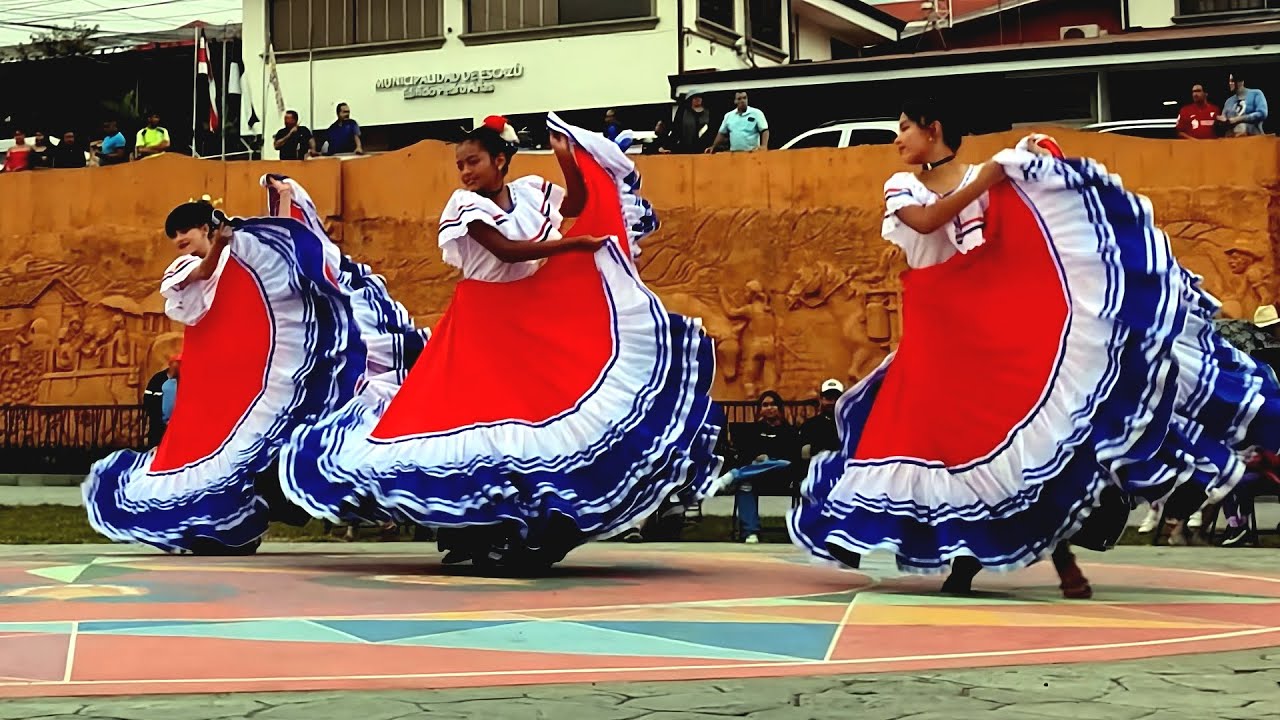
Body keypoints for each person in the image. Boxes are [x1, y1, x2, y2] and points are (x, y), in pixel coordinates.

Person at [789, 96, 1280, 598]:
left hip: (981, 321)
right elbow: (924, 223)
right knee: (916, 432)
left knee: (1010, 431)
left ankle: (995, 552)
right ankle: (866, 529)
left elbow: (1009, 237)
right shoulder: (907, 185)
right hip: (934, 323)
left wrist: (1028, 163)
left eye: (904, 128)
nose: (897, 139)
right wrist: (988, 179)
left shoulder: (990, 177)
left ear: (932, 129)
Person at [280, 113, 723, 571]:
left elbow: (575, 203)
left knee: (532, 418)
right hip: (481, 322)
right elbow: (505, 251)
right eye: (462, 165)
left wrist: (564, 156)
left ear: (500, 159)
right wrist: (570, 248)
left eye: (474, 162)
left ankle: (511, 525)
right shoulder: (463, 206)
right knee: (472, 423)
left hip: (527, 318)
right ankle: (474, 528)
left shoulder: (531, 190)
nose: (466, 172)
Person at [82, 179, 427, 555]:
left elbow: (283, 254)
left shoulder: (242, 257)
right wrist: (219, 248)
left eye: (187, 229)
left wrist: (281, 203)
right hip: (214, 372)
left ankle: (249, 516)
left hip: (253, 364)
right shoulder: (187, 266)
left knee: (264, 441)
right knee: (205, 448)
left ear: (207, 227)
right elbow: (200, 276)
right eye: (175, 233)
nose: (180, 237)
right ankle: (210, 524)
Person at [732, 391, 800, 544]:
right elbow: (744, 456)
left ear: (779, 408)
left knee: (783, 463)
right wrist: (757, 458)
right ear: (760, 409)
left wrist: (770, 460)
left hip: (782, 478)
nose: (770, 408)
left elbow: (793, 458)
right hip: (758, 478)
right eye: (765, 405)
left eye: (773, 404)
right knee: (745, 485)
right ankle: (750, 532)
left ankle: (733, 475)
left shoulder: (790, 432)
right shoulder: (751, 432)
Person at [142, 355, 180, 447]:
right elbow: (148, 398)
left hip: (176, 426)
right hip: (158, 425)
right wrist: (157, 417)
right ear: (171, 364)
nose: (179, 366)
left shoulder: (183, 380)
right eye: (178, 363)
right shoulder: (158, 379)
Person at [1219, 70, 1268, 137]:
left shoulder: (1256, 94)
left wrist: (1238, 119)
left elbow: (1262, 113)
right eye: (1229, 81)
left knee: (1241, 127)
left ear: (1241, 82)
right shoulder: (1229, 101)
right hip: (1233, 139)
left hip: (1254, 137)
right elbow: (1224, 118)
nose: (1230, 83)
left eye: (1232, 81)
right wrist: (1222, 120)